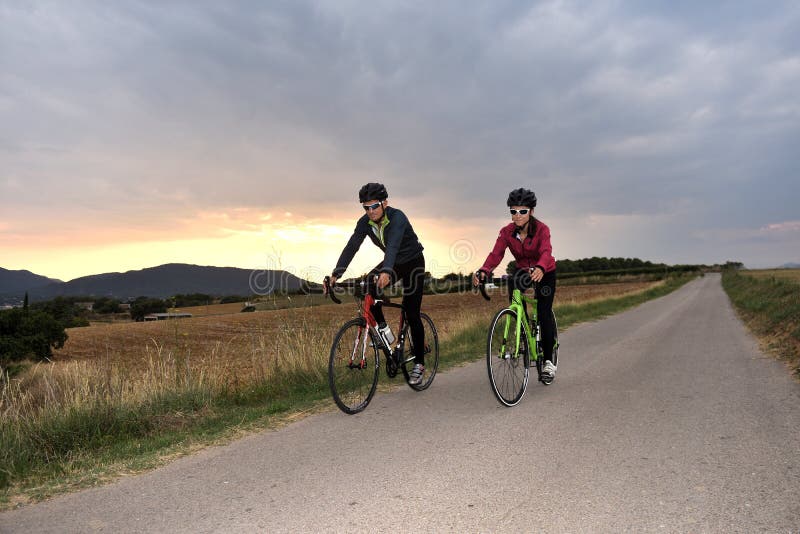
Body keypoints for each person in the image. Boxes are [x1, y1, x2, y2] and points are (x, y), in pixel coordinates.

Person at [325, 182, 428, 385]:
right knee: (367, 287)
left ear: (385, 203)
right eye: (366, 207)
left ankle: (420, 363)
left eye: (374, 206)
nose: (370, 211)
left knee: (411, 311)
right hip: (393, 262)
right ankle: (385, 334)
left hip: (413, 262)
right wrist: (336, 274)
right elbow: (352, 246)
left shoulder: (397, 217)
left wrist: (387, 271)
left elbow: (393, 245)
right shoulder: (365, 222)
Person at [473, 188, 558, 379]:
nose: (517, 215)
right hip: (521, 272)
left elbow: (546, 251)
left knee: (544, 312)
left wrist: (541, 268)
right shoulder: (506, 232)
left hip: (545, 272)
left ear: (531, 212)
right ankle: (524, 337)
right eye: (513, 211)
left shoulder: (542, 229)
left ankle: (548, 362)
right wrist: (484, 270)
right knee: (516, 304)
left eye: (522, 211)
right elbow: (496, 254)